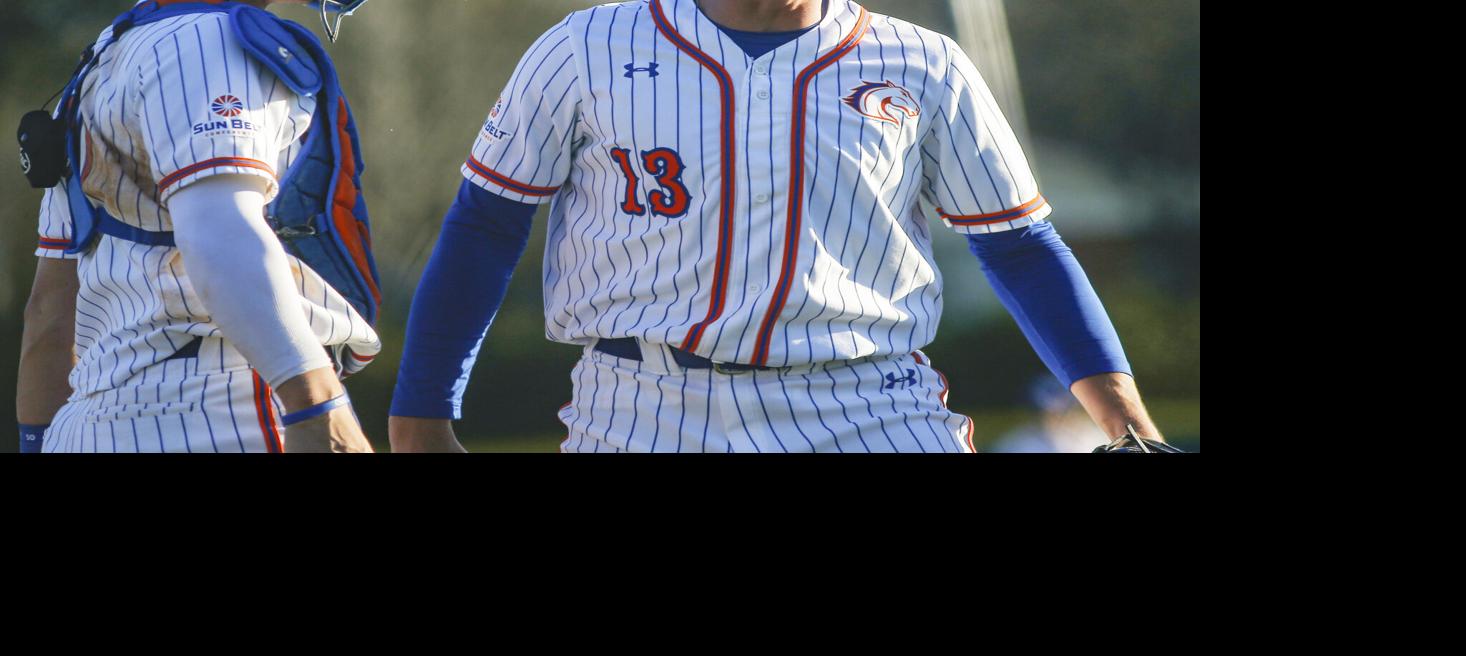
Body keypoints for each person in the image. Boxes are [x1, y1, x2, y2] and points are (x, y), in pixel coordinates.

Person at [390, 0, 1162, 453]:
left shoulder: (924, 61)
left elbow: (1019, 246)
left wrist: (1120, 416)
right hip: (640, 402)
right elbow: (485, 225)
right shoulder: (584, 46)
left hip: (871, 403)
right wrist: (421, 414)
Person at [16, 0, 380, 454]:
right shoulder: (208, 41)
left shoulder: (109, 52)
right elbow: (220, 231)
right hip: (226, 406)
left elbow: (49, 311)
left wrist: (36, 442)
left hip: (91, 421)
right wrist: (317, 405)